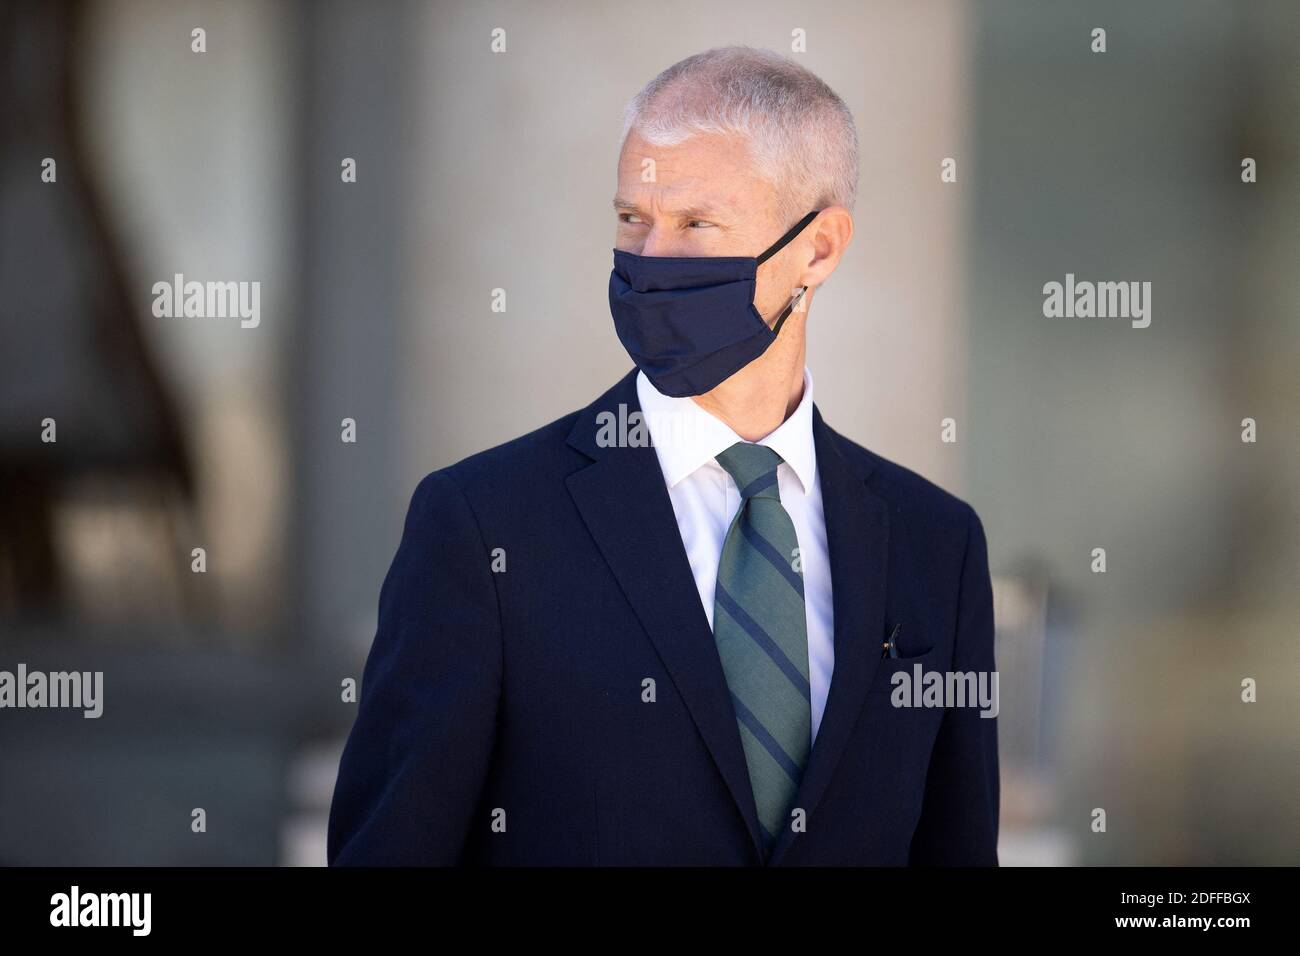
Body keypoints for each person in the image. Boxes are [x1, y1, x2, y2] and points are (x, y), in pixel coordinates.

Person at [328, 45, 998, 866]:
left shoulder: (936, 543)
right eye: (630, 220)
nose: (649, 262)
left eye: (696, 225)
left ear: (818, 249)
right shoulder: (482, 523)